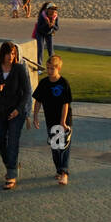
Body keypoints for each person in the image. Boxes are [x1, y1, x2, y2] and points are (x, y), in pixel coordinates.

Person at [0, 42, 32, 190]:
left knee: (13, 142)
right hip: (1, 111)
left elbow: (27, 92)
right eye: (9, 53)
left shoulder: (19, 69)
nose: (11, 56)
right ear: (3, 54)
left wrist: (19, 110)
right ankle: (12, 165)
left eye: (13, 53)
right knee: (0, 142)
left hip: (16, 112)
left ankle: (11, 175)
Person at [32, 54, 73, 186]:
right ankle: (59, 170)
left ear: (58, 68)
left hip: (64, 120)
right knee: (55, 147)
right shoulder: (44, 83)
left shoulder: (63, 83)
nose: (49, 71)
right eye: (48, 68)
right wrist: (36, 116)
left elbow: (65, 104)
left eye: (52, 69)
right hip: (51, 120)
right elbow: (38, 101)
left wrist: (63, 122)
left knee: (64, 146)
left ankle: (64, 173)